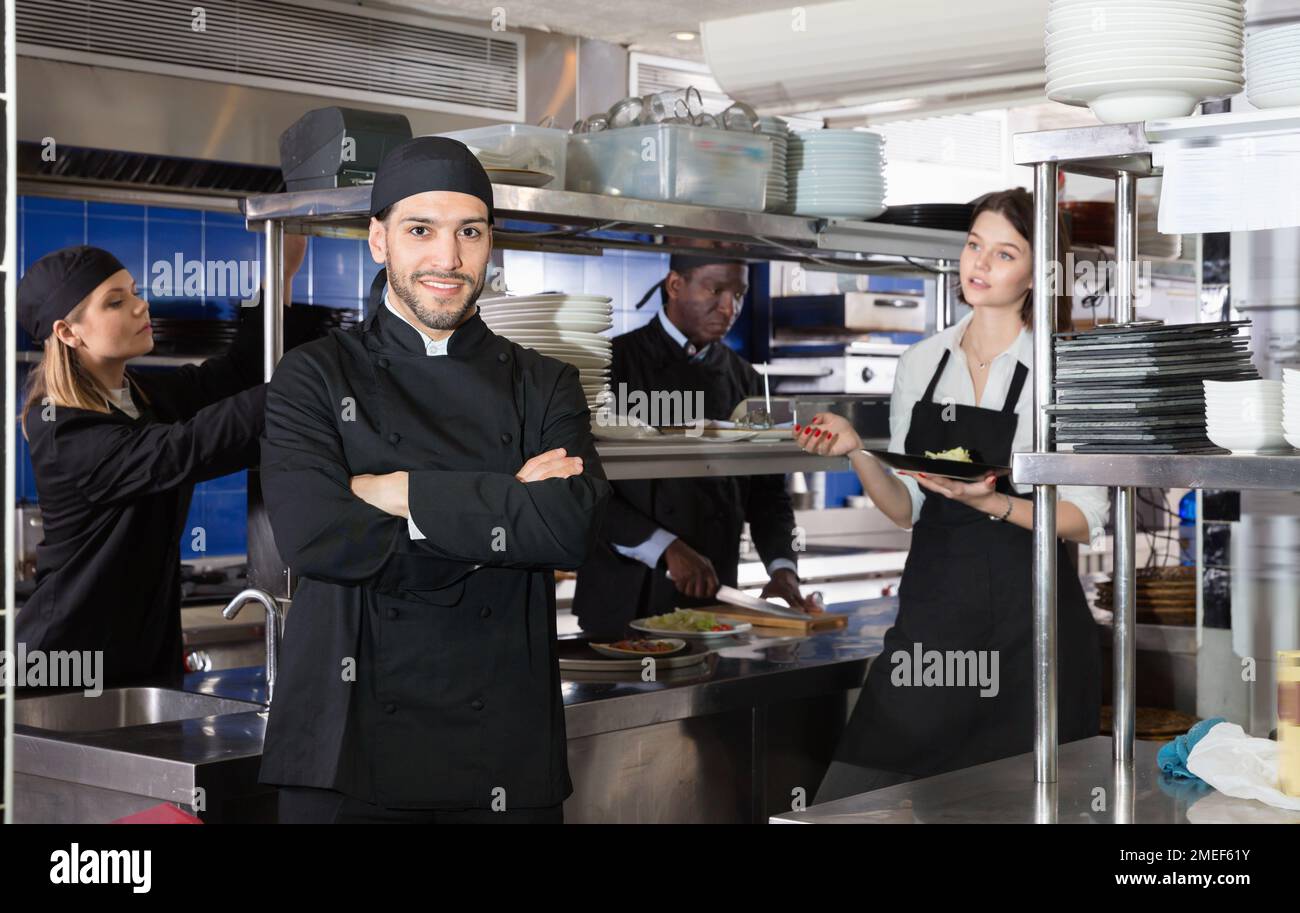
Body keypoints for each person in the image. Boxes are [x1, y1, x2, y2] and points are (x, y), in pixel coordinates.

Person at [258, 136, 611, 824]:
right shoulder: (312, 375)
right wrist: (505, 519)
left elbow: (570, 527)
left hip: (502, 754)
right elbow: (315, 536)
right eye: (421, 230)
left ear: (489, 243)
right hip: (348, 752)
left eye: (469, 233)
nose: (447, 259)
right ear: (378, 240)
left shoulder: (545, 382)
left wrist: (400, 493)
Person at [797, 189, 1106, 802]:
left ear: (1038, 273)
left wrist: (989, 502)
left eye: (1003, 253)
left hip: (1034, 636)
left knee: (1016, 810)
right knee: (850, 800)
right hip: (933, 629)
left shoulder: (1067, 369)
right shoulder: (921, 362)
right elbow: (907, 509)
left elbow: (1083, 519)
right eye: (973, 245)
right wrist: (858, 450)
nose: (979, 264)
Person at [16, 240, 303, 687]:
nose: (139, 305)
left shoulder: (141, 398)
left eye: (132, 291)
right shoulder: (64, 431)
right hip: (66, 666)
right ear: (68, 332)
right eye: (116, 301)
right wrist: (312, 383)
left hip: (147, 655)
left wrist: (280, 272)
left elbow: (239, 371)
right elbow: (184, 448)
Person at [571, 252, 815, 639]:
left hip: (711, 594)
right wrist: (665, 547)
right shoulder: (608, 366)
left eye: (739, 294)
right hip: (623, 596)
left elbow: (768, 492)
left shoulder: (748, 380)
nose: (729, 307)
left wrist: (782, 569)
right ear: (674, 285)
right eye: (717, 290)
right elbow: (581, 483)